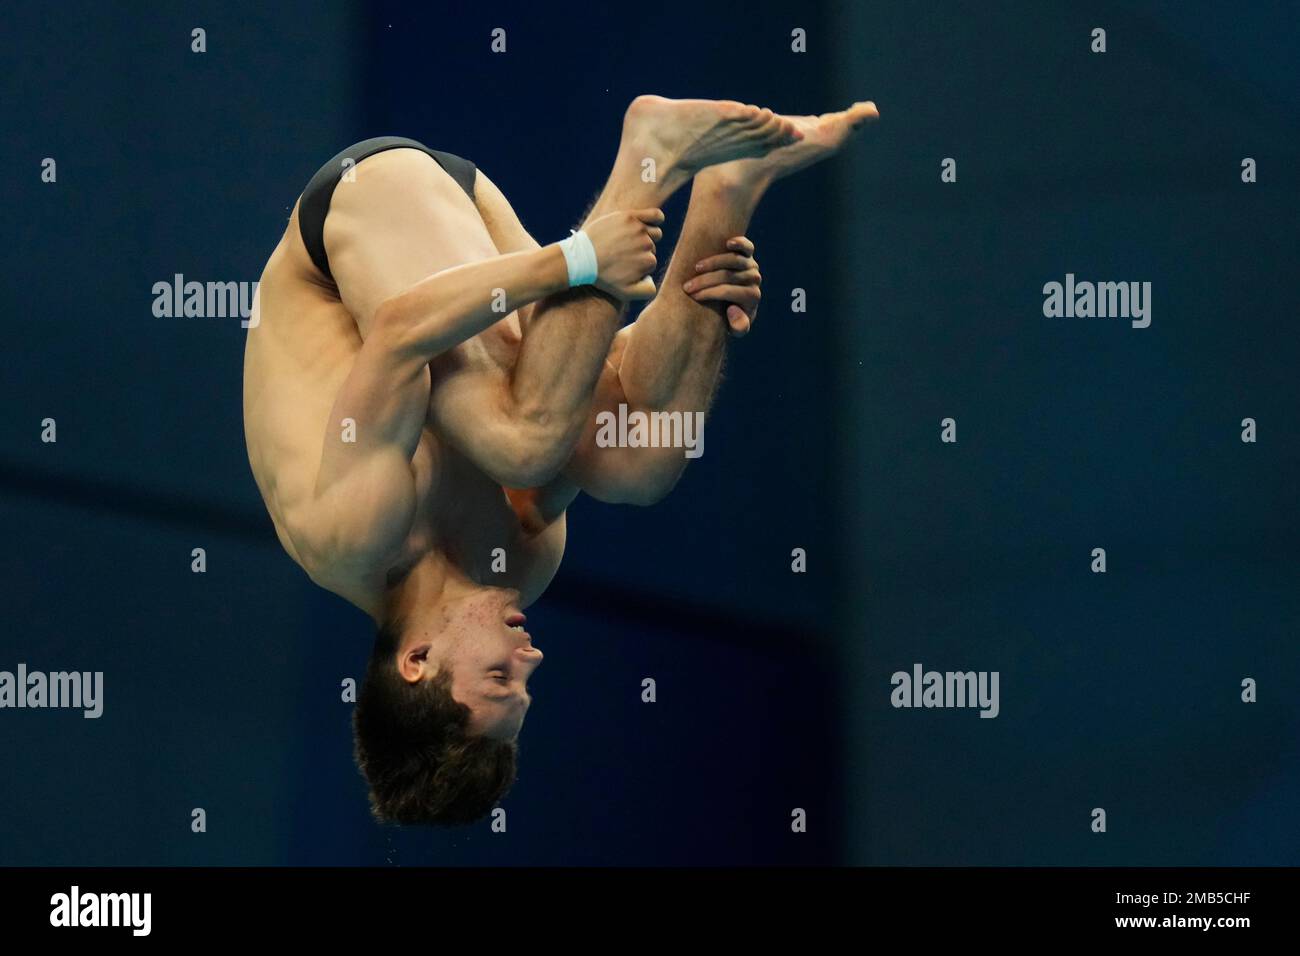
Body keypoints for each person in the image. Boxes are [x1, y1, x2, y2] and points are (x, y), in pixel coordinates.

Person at [242, 95, 878, 824]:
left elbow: (397, 332)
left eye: (499, 677)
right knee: (635, 465)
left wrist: (575, 259)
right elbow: (608, 372)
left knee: (519, 439)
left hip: (363, 206)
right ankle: (729, 185)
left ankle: (652, 148)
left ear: (416, 662)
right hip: (460, 225)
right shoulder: (520, 566)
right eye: (527, 685)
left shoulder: (353, 534)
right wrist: (701, 302)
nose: (532, 660)